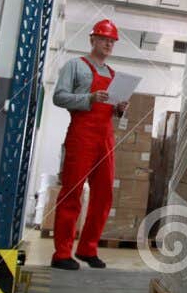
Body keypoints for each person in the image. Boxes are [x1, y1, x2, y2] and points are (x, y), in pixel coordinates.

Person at [49, 18, 129, 270]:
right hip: (81, 135)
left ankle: (87, 248)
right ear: (92, 39)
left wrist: (120, 109)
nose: (108, 44)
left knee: (104, 194)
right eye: (104, 39)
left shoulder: (113, 74)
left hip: (105, 137)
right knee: (72, 192)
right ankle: (61, 253)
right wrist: (90, 97)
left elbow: (112, 110)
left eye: (112, 41)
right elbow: (59, 97)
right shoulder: (75, 66)